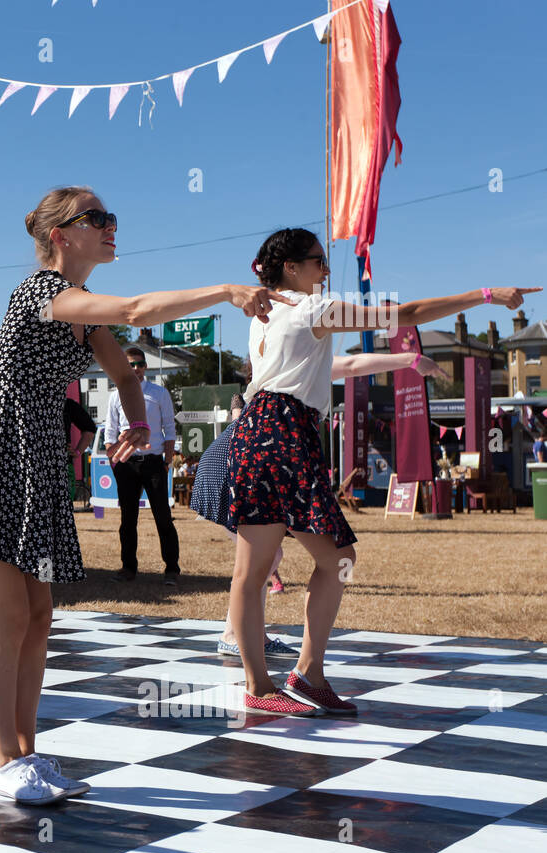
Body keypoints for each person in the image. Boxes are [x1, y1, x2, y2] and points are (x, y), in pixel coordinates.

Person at [0, 185, 293, 805]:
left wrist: (139, 423)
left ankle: (28, 755)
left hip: (34, 466)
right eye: (98, 218)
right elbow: (138, 309)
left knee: (38, 620)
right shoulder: (44, 293)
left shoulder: (82, 310)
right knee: (9, 621)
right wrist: (226, 291)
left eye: (111, 216)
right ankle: (5, 762)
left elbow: (124, 372)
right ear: (61, 235)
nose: (112, 226)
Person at [226, 227, 539, 715]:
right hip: (281, 433)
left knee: (295, 564)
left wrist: (405, 359)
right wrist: (484, 295)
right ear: (290, 267)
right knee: (304, 562)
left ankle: (294, 678)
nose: (326, 271)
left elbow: (344, 365)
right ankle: (276, 684)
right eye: (317, 261)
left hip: (266, 431)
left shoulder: (267, 315)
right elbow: (406, 315)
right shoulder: (310, 309)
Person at [197, 352, 442, 656]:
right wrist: (411, 359)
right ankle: (235, 637)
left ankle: (246, 638)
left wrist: (410, 360)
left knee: (266, 558)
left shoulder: (281, 368)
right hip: (237, 461)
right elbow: (352, 365)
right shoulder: (297, 364)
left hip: (242, 457)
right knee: (262, 559)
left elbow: (351, 365)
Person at [105, 350, 180, 584]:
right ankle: (128, 568)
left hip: (154, 462)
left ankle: (171, 569)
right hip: (126, 465)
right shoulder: (115, 395)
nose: (135, 368)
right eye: (130, 365)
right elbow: (110, 430)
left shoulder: (159, 393)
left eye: (139, 364)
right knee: (128, 519)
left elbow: (170, 428)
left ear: (145, 367)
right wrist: (114, 461)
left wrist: (167, 461)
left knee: (163, 517)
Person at [63, 396, 97, 502]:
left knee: (63, 508)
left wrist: (77, 452)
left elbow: (90, 428)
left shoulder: (67, 404)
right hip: (29, 466)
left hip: (63, 467)